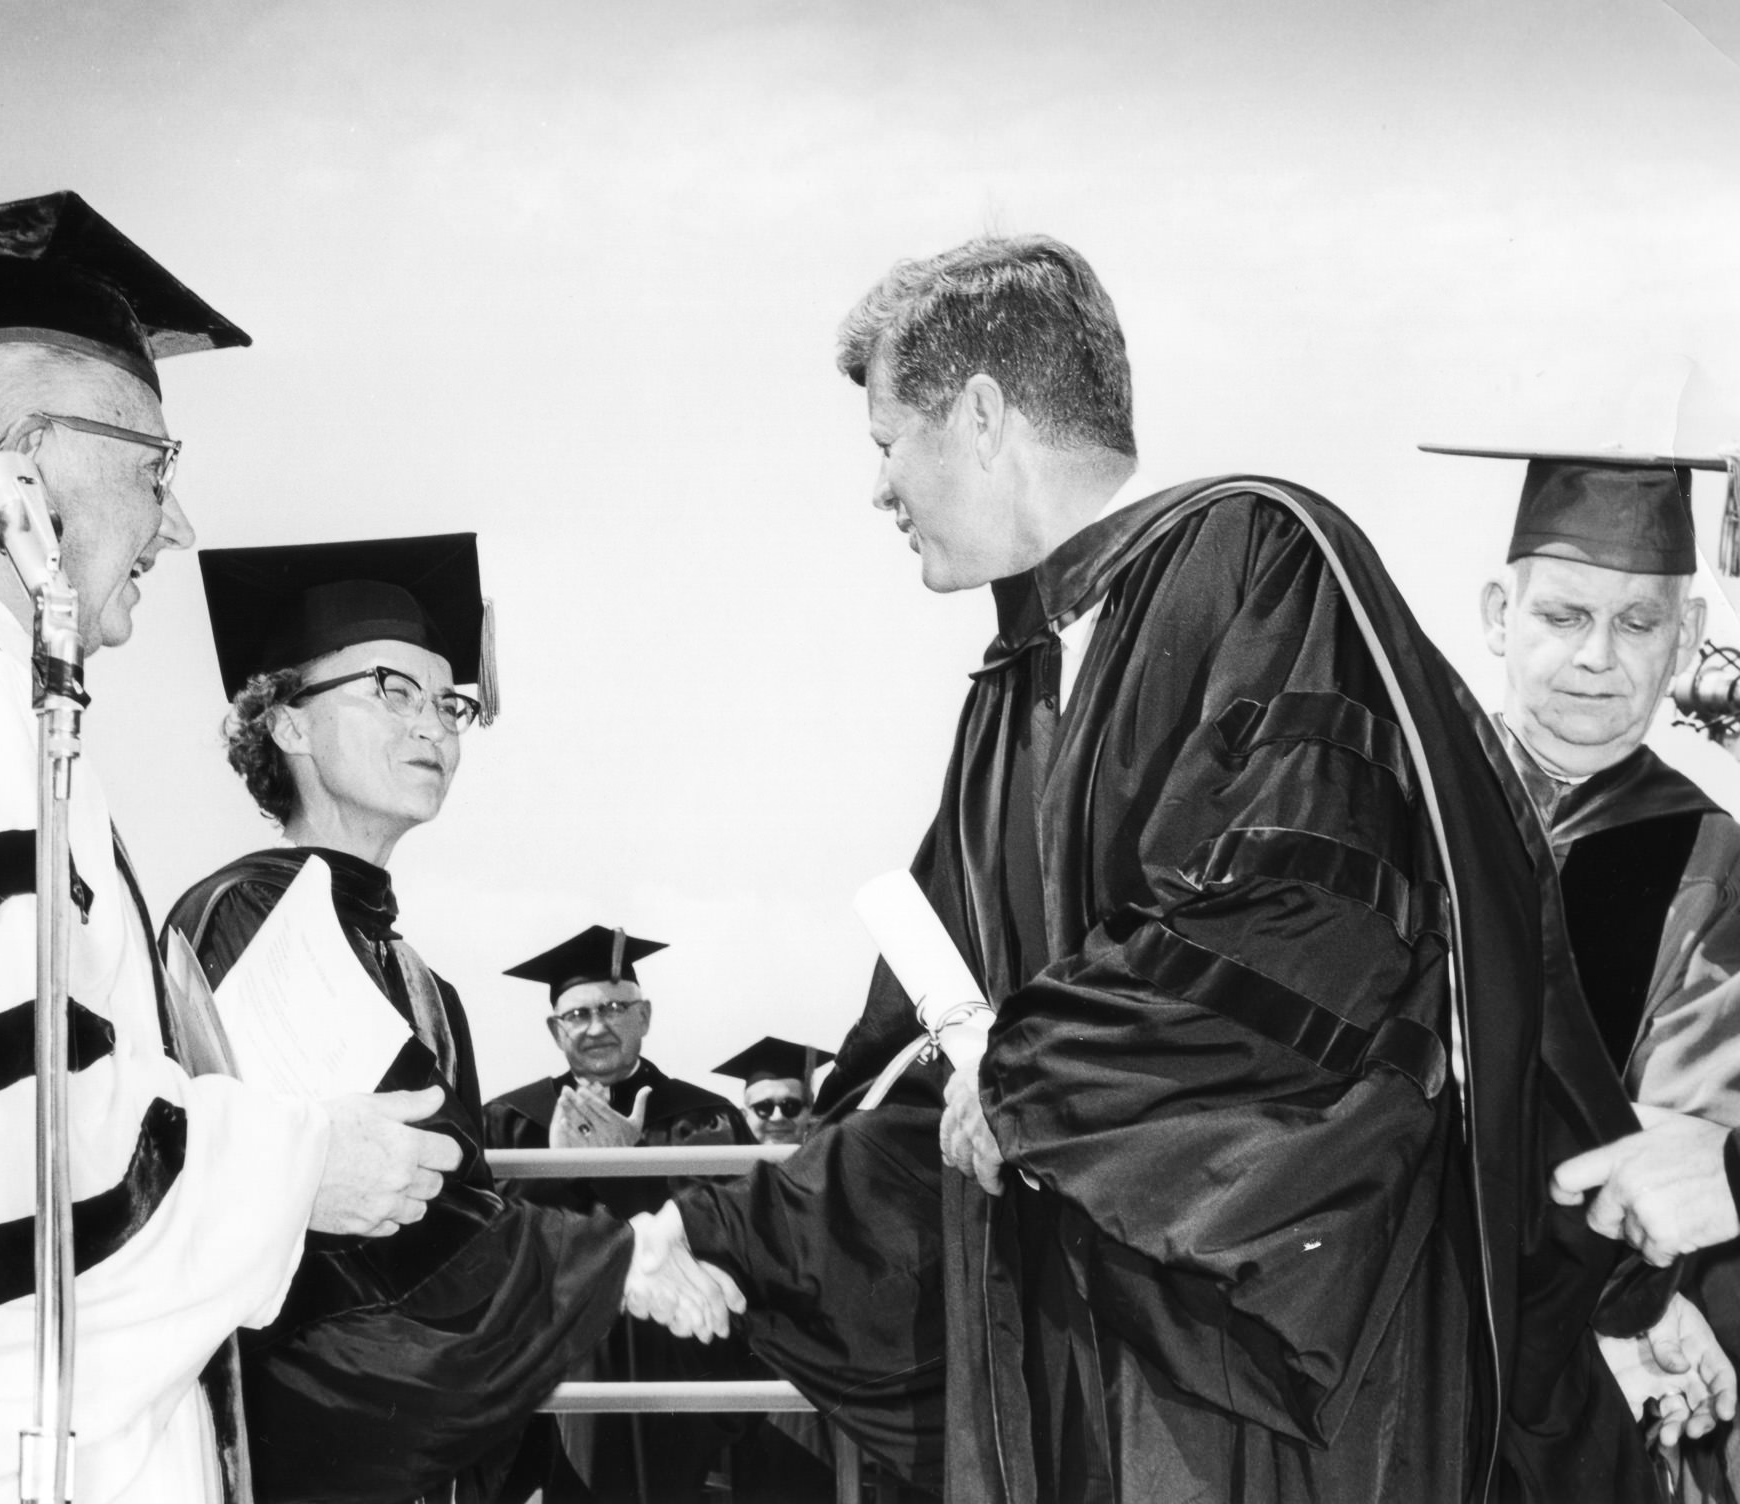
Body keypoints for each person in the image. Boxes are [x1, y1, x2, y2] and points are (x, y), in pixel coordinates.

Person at [636, 233, 1695, 1502]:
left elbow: (1304, 925)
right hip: (1088, 1352)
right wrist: (720, 1229)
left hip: (1267, 1377)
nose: (877, 487)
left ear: (980, 415)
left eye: (885, 441)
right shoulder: (1011, 695)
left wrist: (1031, 1072)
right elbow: (932, 1055)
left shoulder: (1253, 559)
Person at [0, 194, 464, 1502]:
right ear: (28, 466)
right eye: (157, 468)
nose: (178, 524)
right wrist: (302, 1166)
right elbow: (5, 1204)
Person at [161, 537, 732, 1504]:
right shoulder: (248, 918)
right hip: (306, 1437)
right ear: (288, 723)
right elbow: (403, 1209)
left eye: (448, 702)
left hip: (416, 1439)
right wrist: (610, 1260)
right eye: (392, 691)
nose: (434, 725)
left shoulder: (418, 976)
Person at [1443, 444, 1740, 1481]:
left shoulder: (1709, 860)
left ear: (1687, 636)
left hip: (1587, 1366)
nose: (1597, 658)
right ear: (1499, 614)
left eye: (1638, 623)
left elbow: (1676, 1141)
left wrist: (1631, 1309)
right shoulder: (1399, 803)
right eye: (1563, 615)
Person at [485, 929, 753, 1504]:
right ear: (555, 1029)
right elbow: (488, 1245)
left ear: (644, 1016)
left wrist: (625, 1171)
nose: (596, 1027)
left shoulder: (704, 1118)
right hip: (547, 1355)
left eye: (613, 1008)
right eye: (577, 1014)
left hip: (671, 1357)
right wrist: (556, 1169)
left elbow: (730, 1233)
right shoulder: (510, 1121)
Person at [712, 1037, 829, 1147]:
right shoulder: (718, 1161)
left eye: (791, 1106)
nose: (777, 1117)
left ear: (808, 1112)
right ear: (744, 1116)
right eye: (764, 1107)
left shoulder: (829, 1161)